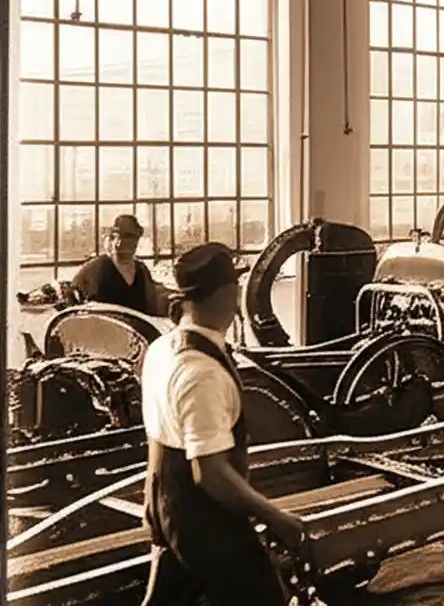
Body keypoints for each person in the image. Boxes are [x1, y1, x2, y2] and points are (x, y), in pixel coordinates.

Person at [140, 242, 302, 605]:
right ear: (230, 293)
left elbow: (159, 441)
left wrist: (153, 509)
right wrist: (275, 516)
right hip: (205, 518)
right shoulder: (202, 372)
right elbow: (209, 473)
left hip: (165, 504)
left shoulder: (161, 350)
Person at [71, 214, 171, 315]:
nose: (121, 242)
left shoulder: (141, 270)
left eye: (129, 236)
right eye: (117, 236)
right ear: (112, 239)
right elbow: (73, 296)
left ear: (137, 239)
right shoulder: (95, 267)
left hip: (137, 327)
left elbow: (152, 301)